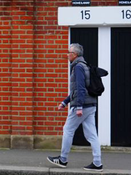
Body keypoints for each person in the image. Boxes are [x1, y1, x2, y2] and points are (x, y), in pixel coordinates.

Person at [48, 43, 103, 172]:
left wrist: (78, 106)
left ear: (75, 55)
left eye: (69, 52)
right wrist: (65, 102)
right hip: (90, 105)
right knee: (92, 135)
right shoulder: (84, 66)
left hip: (82, 106)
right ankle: (97, 162)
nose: (67, 55)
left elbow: (80, 88)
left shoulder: (78, 67)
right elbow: (76, 89)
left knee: (68, 129)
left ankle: (63, 159)